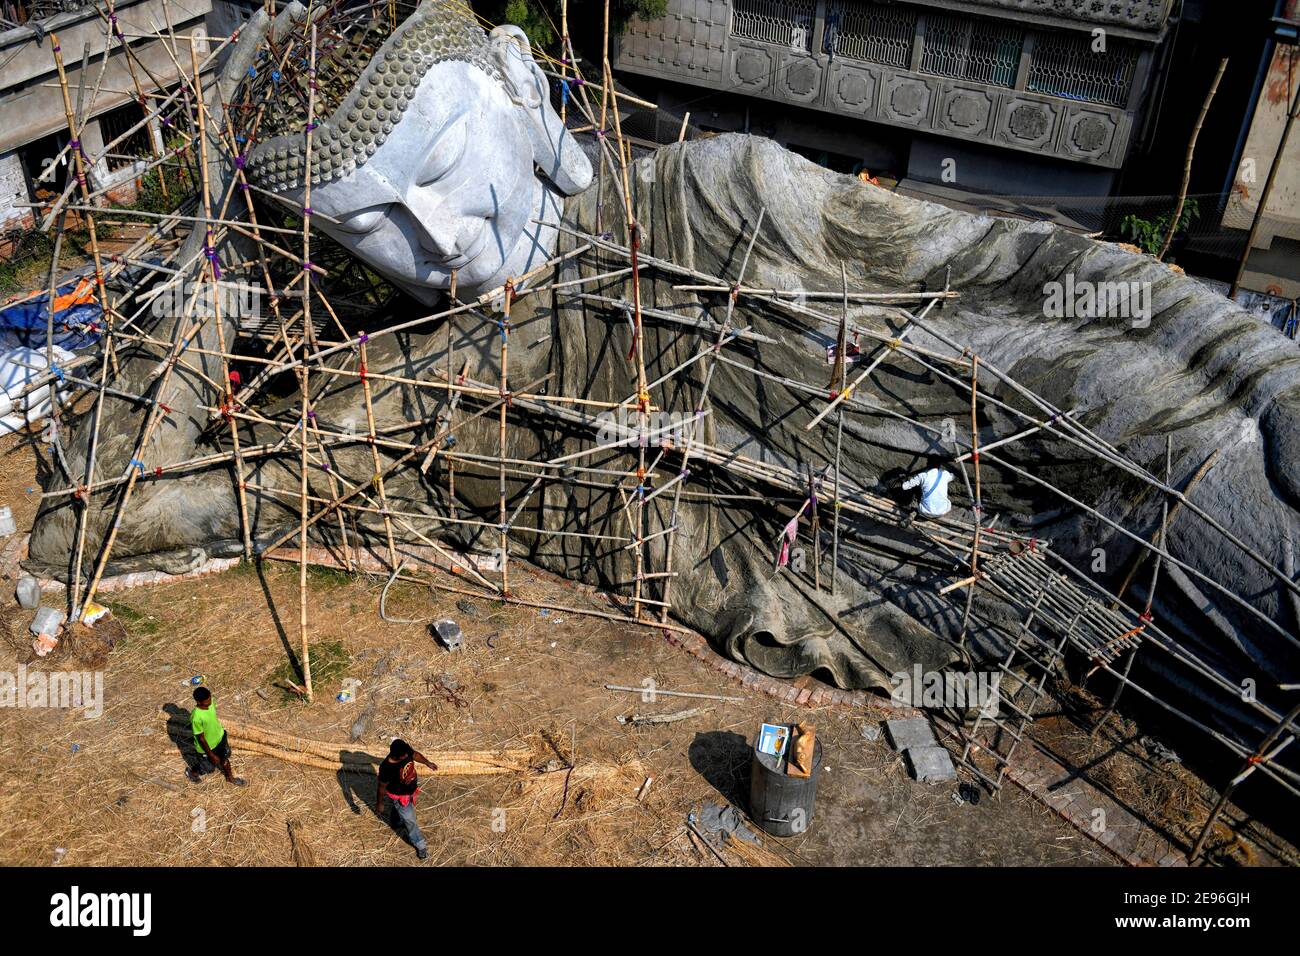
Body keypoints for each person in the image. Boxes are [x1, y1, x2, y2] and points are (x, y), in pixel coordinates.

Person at [375, 739, 439, 860]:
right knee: (410, 820)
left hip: (410, 789)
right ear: (396, 756)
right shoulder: (386, 768)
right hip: (400, 795)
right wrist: (379, 803)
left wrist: (427, 762)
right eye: (404, 755)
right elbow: (381, 787)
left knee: (399, 810)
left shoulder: (404, 750)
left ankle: (395, 821)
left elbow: (415, 754)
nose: (407, 756)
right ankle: (420, 846)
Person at [186, 686, 246, 786]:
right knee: (207, 768)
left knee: (225, 758)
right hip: (207, 748)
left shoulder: (211, 702)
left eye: (210, 698)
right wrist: (211, 755)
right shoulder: (196, 717)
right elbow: (201, 738)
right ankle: (192, 773)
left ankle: (230, 778)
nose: (210, 701)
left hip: (220, 738)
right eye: (207, 700)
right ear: (199, 702)